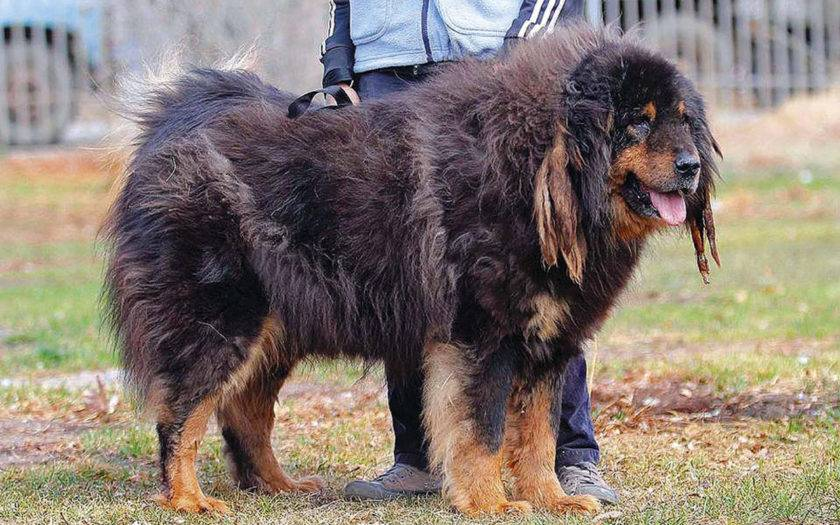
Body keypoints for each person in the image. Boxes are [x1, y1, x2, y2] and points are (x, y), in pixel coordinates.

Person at [319, 0, 618, 505]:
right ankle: (418, 459)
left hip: (496, 65)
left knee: (550, 269)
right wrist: (340, 56)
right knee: (409, 275)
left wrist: (522, 44)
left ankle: (571, 457)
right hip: (386, 66)